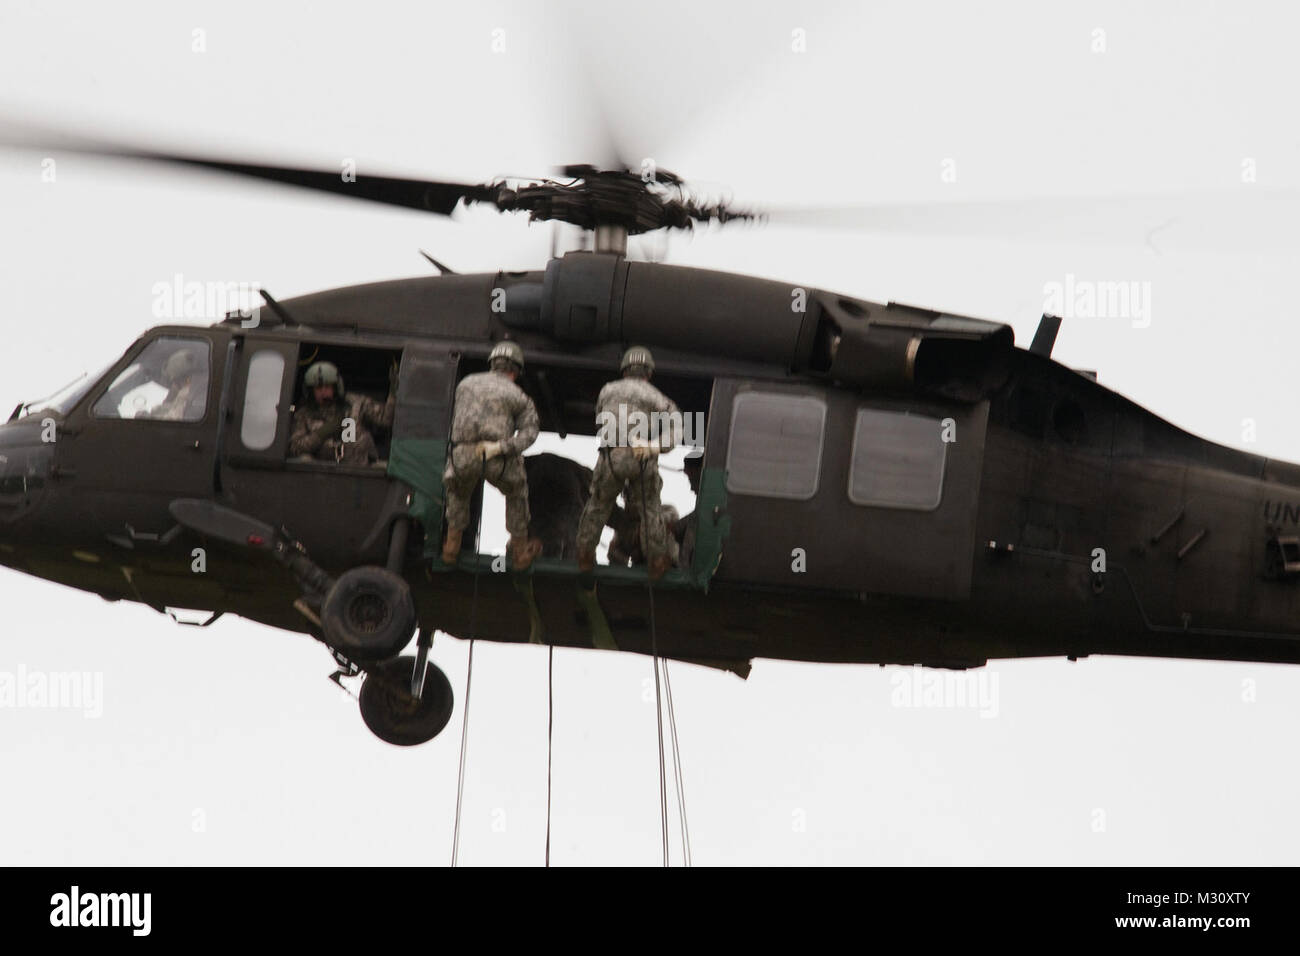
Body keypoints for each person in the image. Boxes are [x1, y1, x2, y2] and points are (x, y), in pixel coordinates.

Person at [576, 346, 678, 580]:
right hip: (642, 457)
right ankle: (656, 561)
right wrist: (657, 446)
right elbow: (677, 426)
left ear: (624, 371)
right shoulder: (656, 396)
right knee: (650, 509)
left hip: (612, 457)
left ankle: (584, 555)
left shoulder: (607, 390)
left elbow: (600, 417)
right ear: (649, 373)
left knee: (598, 505)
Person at [442, 341, 542, 570]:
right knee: (517, 491)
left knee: (458, 491)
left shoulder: (465, 385)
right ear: (515, 371)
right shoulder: (518, 395)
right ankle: (520, 552)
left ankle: (451, 547)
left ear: (492, 364)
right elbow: (530, 433)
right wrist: (503, 447)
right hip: (496, 457)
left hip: (463, 454)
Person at [288, 360, 395, 465]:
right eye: (318, 388)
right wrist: (322, 433)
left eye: (327, 386)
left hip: (362, 469)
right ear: (311, 391)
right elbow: (295, 448)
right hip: (325, 472)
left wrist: (394, 394)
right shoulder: (303, 415)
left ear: (336, 387)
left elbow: (386, 419)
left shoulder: (356, 404)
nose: (323, 392)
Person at [153, 348, 208, 422]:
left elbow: (183, 420)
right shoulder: (197, 386)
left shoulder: (200, 394)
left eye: (174, 381)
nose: (173, 385)